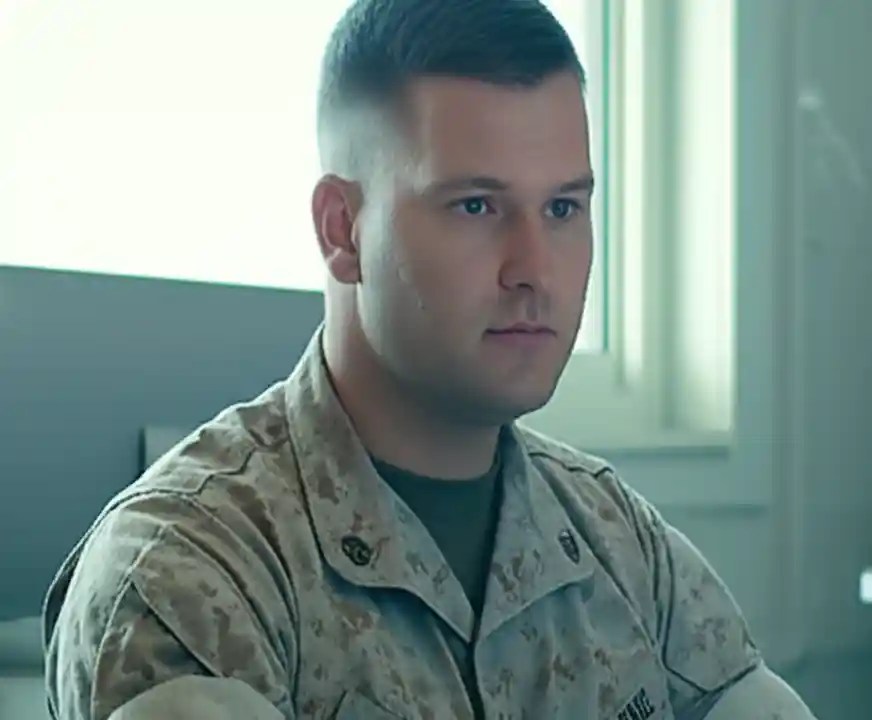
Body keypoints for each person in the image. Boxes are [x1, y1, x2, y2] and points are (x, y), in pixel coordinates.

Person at [41, 1, 817, 718]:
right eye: (475, 207)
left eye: (562, 209)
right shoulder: (190, 576)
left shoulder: (622, 546)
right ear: (343, 230)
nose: (534, 269)